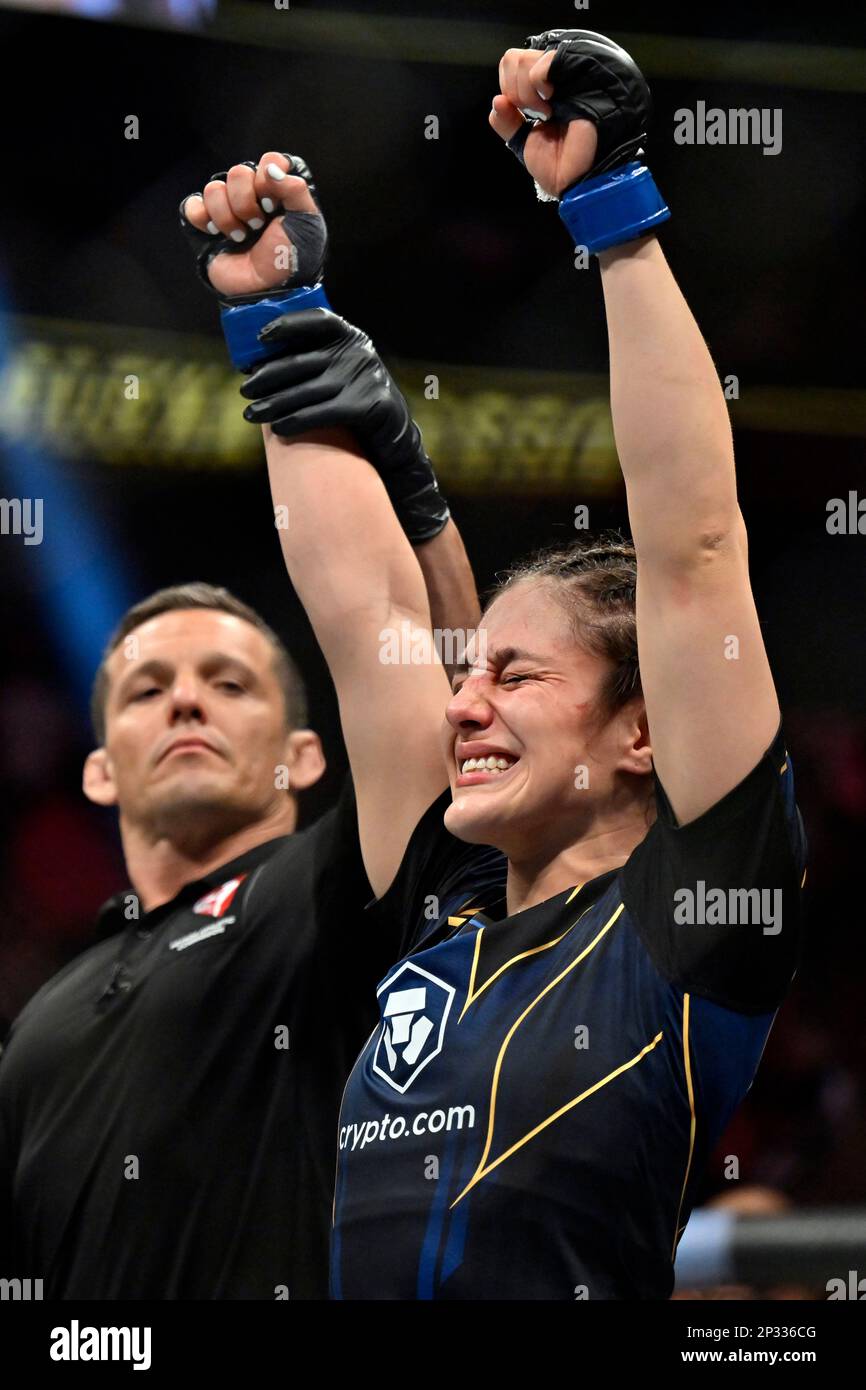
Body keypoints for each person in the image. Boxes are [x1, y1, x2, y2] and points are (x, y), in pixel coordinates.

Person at [183, 30, 807, 1300]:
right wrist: (274, 323)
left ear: (638, 733)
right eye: (478, 675)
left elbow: (689, 545)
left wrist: (611, 213)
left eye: (516, 677)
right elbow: (367, 627)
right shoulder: (441, 912)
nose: (462, 698)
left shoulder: (684, 925)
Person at [0, 152, 483, 1300]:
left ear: (302, 758)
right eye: (145, 689)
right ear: (100, 770)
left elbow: (404, 666)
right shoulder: (44, 1023)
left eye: (228, 683)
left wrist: (278, 321)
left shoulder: (329, 900)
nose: (182, 700)